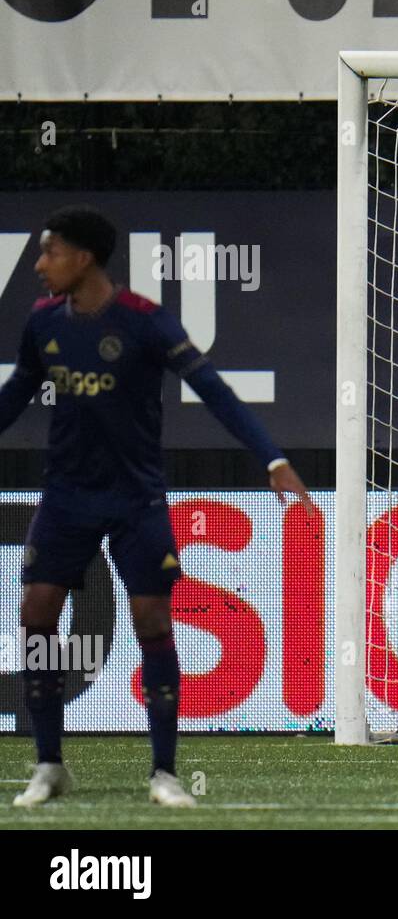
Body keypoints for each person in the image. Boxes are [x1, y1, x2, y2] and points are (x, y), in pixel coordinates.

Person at [1, 206, 316, 808]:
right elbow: (18, 390)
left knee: (152, 622)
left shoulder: (145, 322)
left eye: (51, 252)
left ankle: (164, 772)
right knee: (37, 614)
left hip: (136, 499)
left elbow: (215, 391)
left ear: (84, 257)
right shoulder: (43, 322)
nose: (39, 266)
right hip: (66, 497)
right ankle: (48, 765)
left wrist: (272, 460)